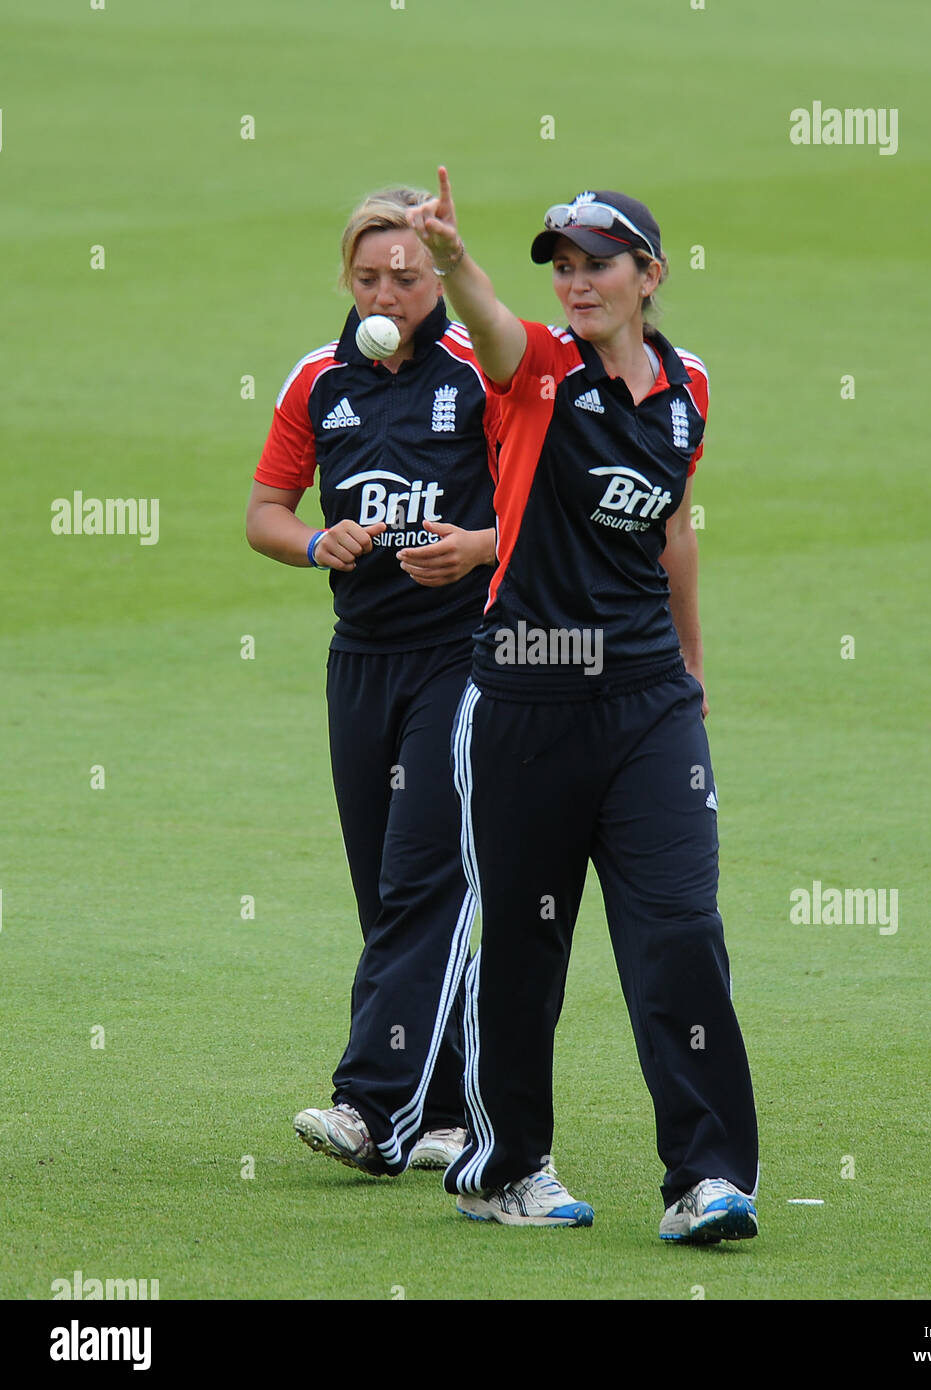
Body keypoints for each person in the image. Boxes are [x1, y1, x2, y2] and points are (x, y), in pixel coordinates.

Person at [408, 169, 760, 1241]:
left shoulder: (688, 384)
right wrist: (456, 260)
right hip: (525, 690)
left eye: (597, 262)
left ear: (649, 274)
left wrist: (691, 670)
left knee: (681, 929)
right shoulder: (541, 369)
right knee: (524, 942)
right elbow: (492, 327)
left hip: (649, 700)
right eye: (562, 266)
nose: (577, 281)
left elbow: (674, 529)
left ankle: (705, 1176)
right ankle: (504, 1166)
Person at [246, 185, 499, 1177]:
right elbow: (267, 508)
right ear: (346, 278)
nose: (387, 290)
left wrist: (478, 547)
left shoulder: (482, 373)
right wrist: (318, 541)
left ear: (439, 275)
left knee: (421, 876)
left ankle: (368, 1106)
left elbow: (538, 503)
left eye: (406, 274)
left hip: (465, 657)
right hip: (360, 660)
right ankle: (450, 1109)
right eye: (367, 276)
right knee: (384, 889)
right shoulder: (319, 379)